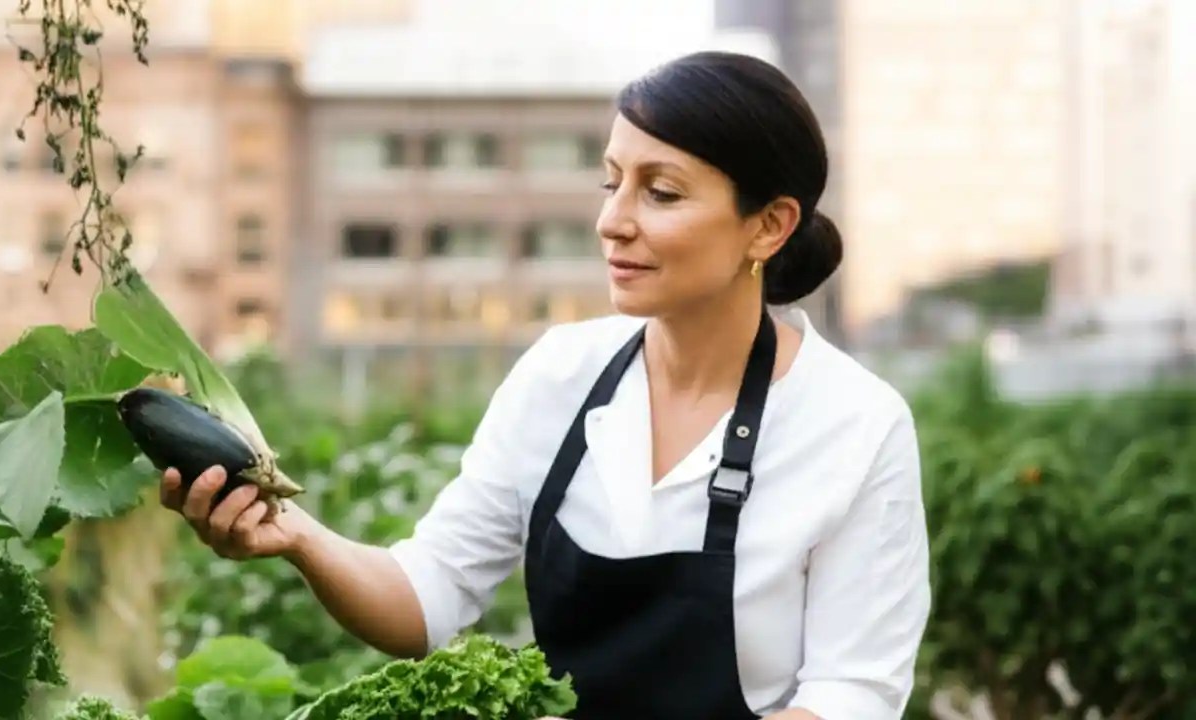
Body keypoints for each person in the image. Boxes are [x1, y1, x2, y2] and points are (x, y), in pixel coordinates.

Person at [160, 50, 931, 720]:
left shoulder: (853, 425)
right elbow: (427, 594)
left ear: (768, 226)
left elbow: (849, 698)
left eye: (660, 193)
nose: (612, 221)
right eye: (611, 181)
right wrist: (295, 537)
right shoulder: (561, 376)